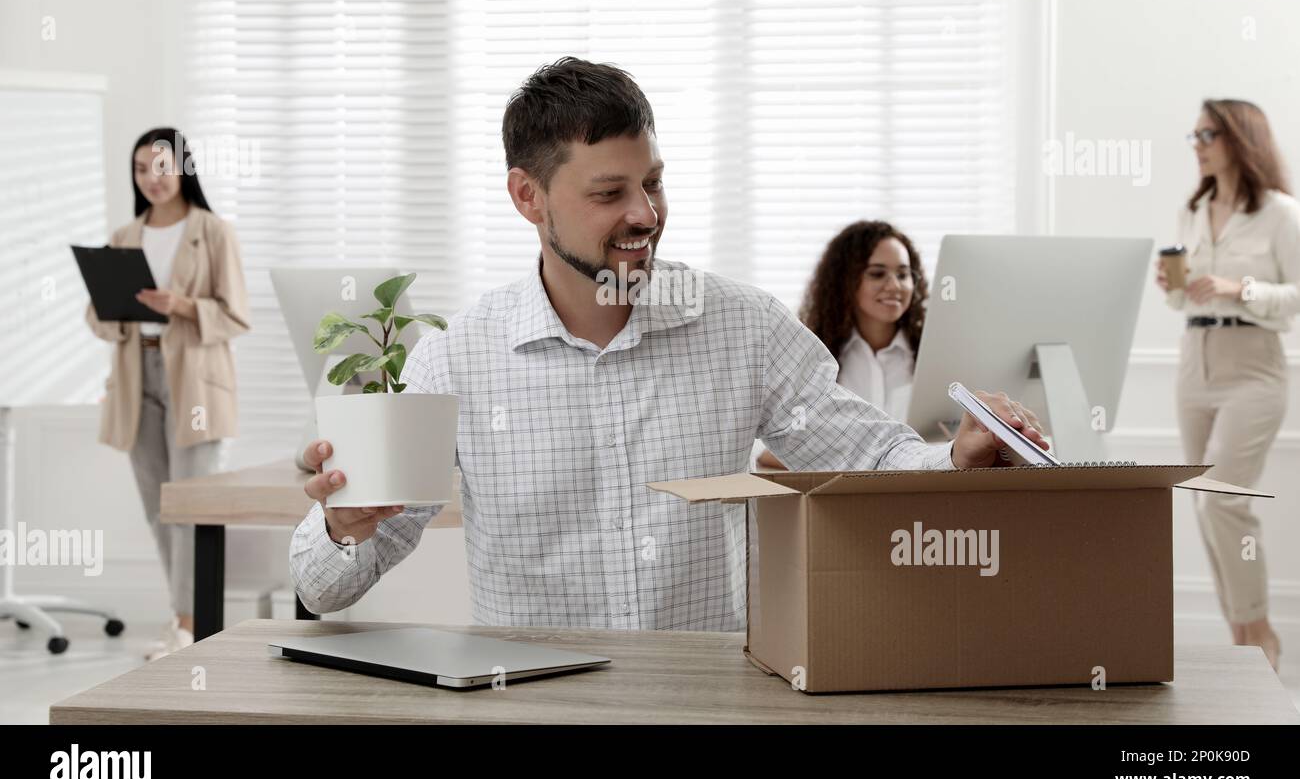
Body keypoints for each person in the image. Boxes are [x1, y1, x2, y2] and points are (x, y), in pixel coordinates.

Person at [291, 57, 1047, 630]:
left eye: (654, 182)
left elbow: (873, 455)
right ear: (528, 197)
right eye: (609, 192)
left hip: (706, 702)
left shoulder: (742, 325)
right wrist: (343, 526)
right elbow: (323, 589)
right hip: (530, 710)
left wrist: (956, 456)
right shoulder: (456, 358)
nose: (646, 213)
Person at [85, 129, 251, 659]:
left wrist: (178, 306)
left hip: (195, 379)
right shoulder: (123, 237)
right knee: (159, 507)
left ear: (182, 168)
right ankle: (183, 617)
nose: (150, 179)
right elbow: (99, 319)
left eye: (160, 167)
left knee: (191, 505)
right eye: (139, 169)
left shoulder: (214, 232)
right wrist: (113, 309)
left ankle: (188, 624)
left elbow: (235, 315)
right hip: (139, 379)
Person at [1156, 98, 1295, 672]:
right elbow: (1176, 299)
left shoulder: (1279, 213)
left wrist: (1242, 288)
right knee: (1204, 502)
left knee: (1222, 499)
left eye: (1207, 133)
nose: (1197, 143)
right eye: (1193, 134)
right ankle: (1244, 640)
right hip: (1196, 361)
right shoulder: (1194, 211)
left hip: (1253, 364)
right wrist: (1171, 284)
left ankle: (1258, 631)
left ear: (1240, 137)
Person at [757, 220, 926, 470]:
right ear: (845, 281)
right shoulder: (813, 355)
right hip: (844, 498)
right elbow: (773, 450)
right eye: (877, 273)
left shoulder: (932, 354)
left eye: (903, 274)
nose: (895, 286)